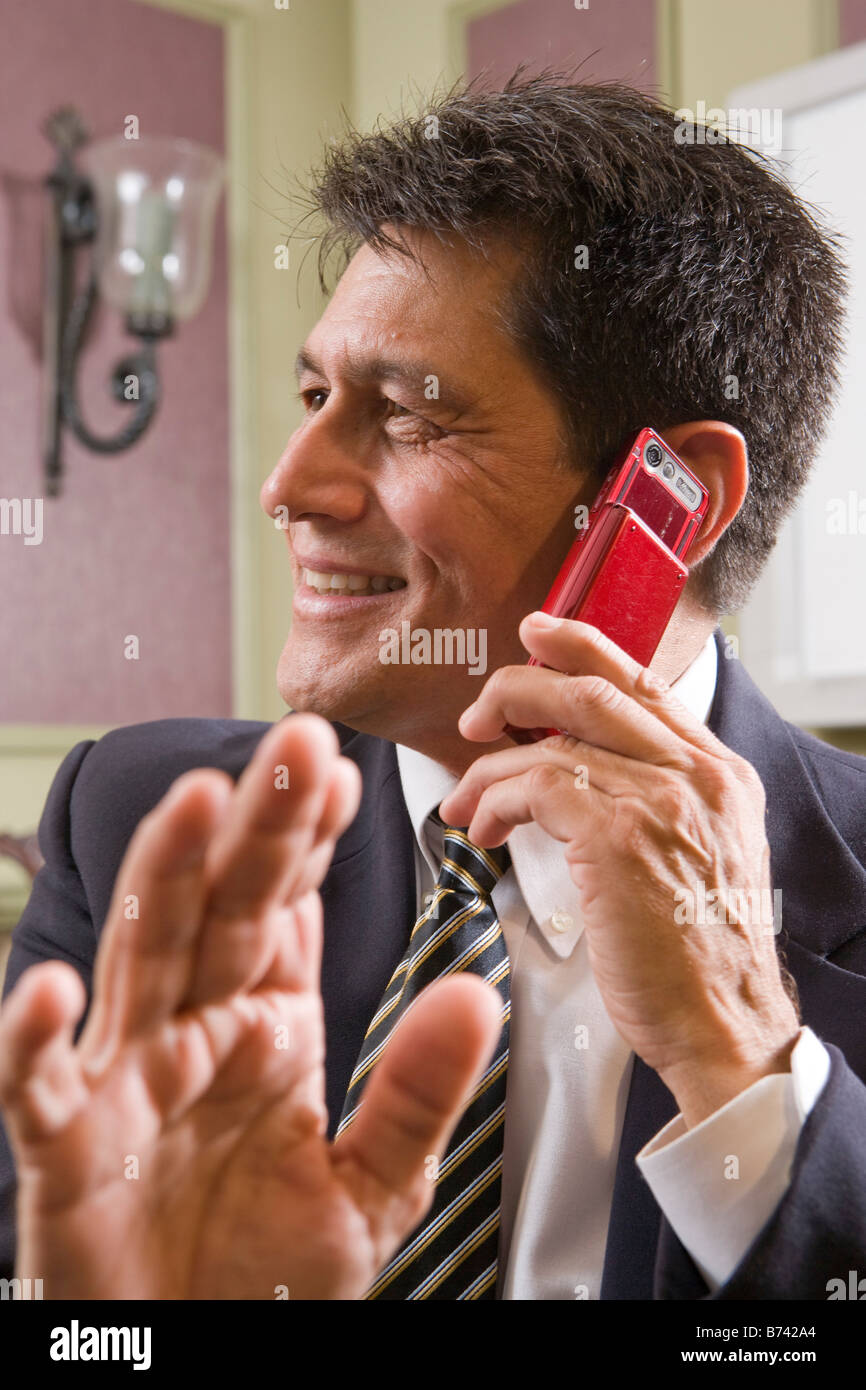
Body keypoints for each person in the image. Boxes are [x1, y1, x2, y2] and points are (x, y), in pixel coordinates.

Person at [2, 73, 865, 1301]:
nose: (290, 486)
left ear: (673, 498)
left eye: (410, 415)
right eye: (314, 397)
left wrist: (742, 1062)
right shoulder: (138, 820)